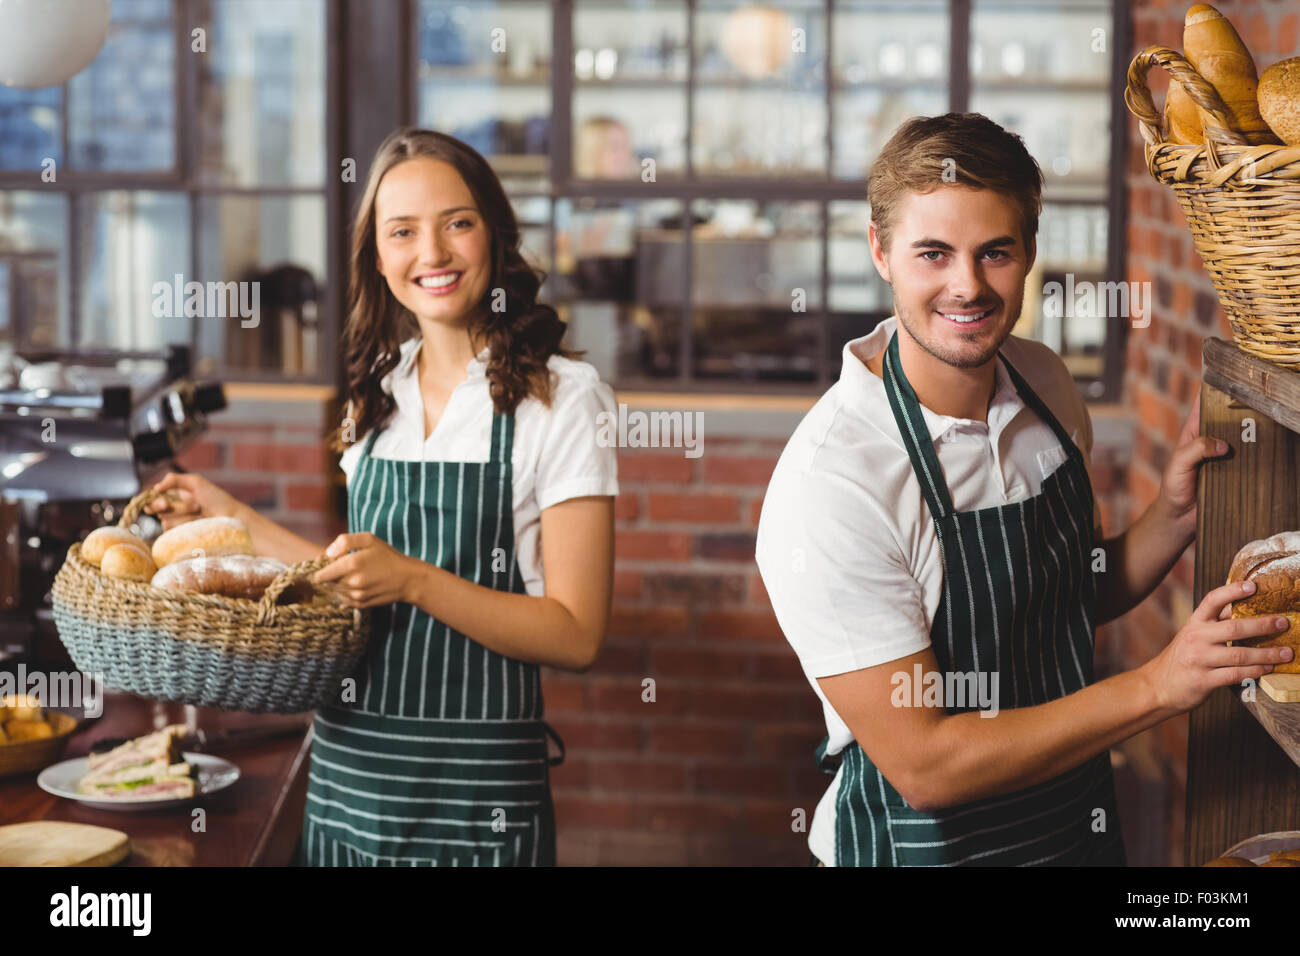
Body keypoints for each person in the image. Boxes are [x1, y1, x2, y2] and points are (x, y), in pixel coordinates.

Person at [754, 112, 1293, 867]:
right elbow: (926, 766)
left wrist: (1171, 519)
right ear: (881, 251)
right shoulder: (835, 482)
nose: (967, 286)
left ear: (1031, 251)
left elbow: (1064, 601)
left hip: (1071, 832)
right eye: (933, 253)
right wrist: (1158, 686)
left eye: (995, 252)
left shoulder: (1043, 382)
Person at [145, 126, 619, 866]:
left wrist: (417, 582)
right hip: (347, 786)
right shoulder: (376, 392)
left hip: (475, 808)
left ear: (493, 234)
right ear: (377, 255)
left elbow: (576, 634)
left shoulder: (559, 398)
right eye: (402, 233)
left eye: (456, 224)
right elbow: (358, 580)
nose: (431, 254)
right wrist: (228, 515)